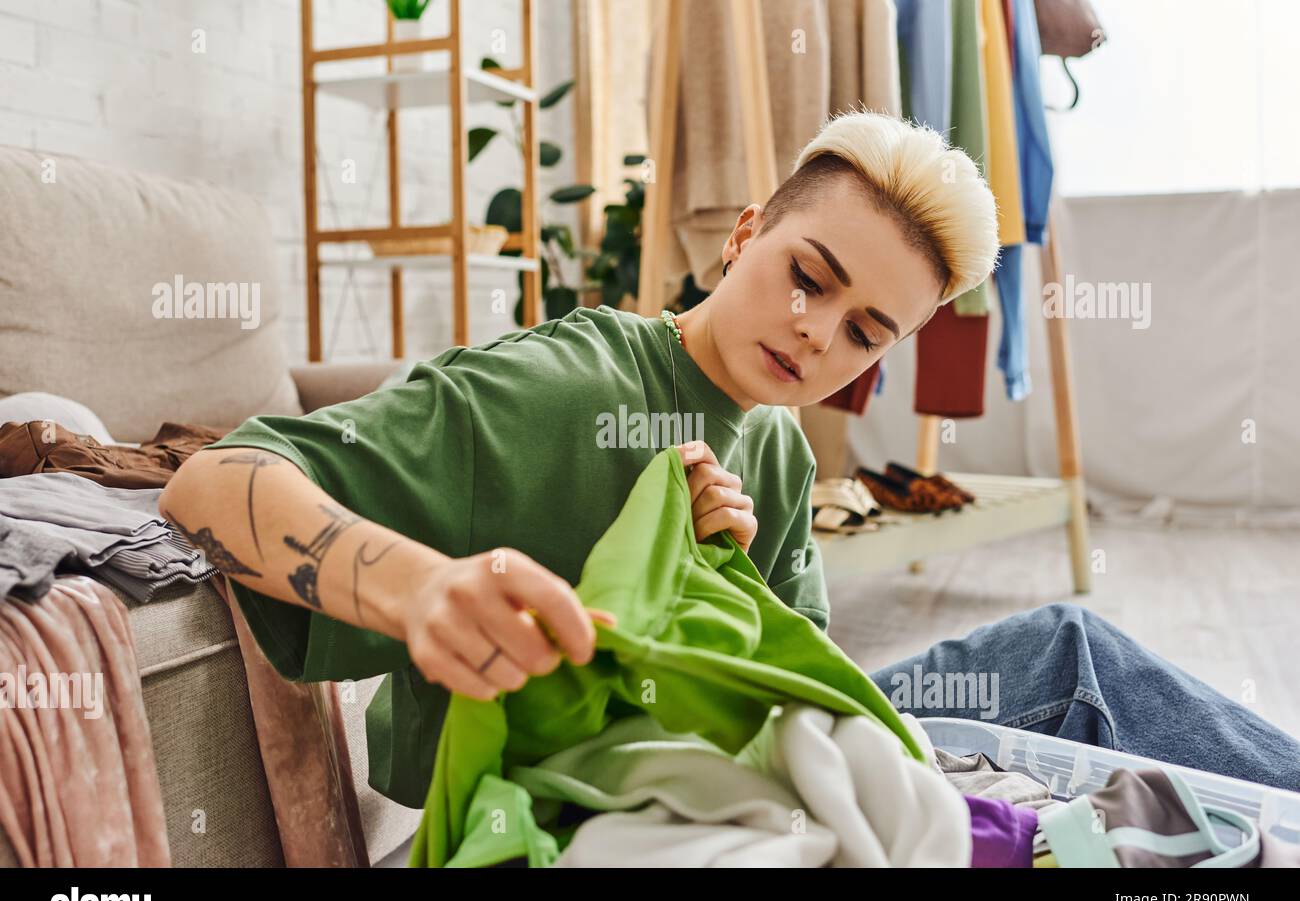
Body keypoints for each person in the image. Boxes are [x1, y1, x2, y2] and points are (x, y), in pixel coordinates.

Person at [160, 109, 1300, 799]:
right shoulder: (565, 387)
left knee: (1070, 682)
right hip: (565, 793)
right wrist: (422, 589)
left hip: (722, 756)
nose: (815, 333)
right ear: (746, 233)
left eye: (864, 331)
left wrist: (732, 580)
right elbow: (212, 480)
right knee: (1071, 656)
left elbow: (796, 690)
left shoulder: (776, 446)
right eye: (809, 277)